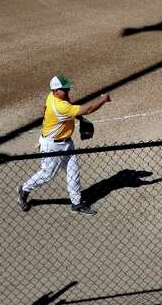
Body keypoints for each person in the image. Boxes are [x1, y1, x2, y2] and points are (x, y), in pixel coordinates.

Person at [18, 75, 112, 215]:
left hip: (66, 143)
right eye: (64, 89)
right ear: (56, 90)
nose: (68, 91)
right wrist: (104, 99)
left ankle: (77, 203)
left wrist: (74, 115)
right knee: (47, 174)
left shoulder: (52, 96)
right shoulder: (60, 106)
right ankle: (24, 189)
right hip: (52, 146)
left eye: (68, 89)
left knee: (73, 173)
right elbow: (88, 109)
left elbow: (45, 109)